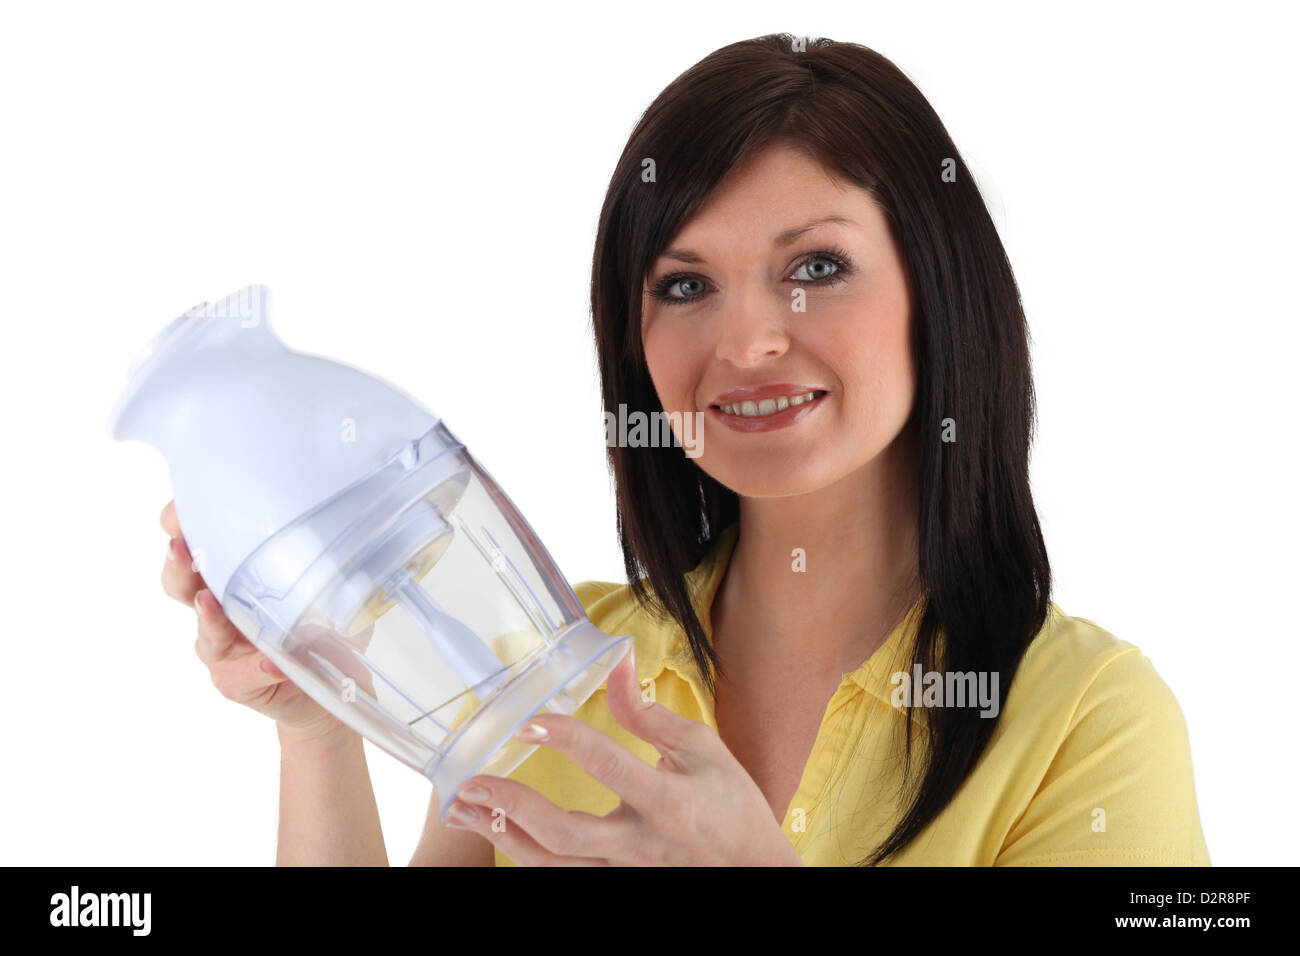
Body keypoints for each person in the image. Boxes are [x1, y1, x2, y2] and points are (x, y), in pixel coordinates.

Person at [158, 33, 1211, 866]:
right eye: (684, 284)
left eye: (817, 267)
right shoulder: (550, 664)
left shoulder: (1084, 719)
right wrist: (317, 727)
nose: (745, 342)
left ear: (938, 293)